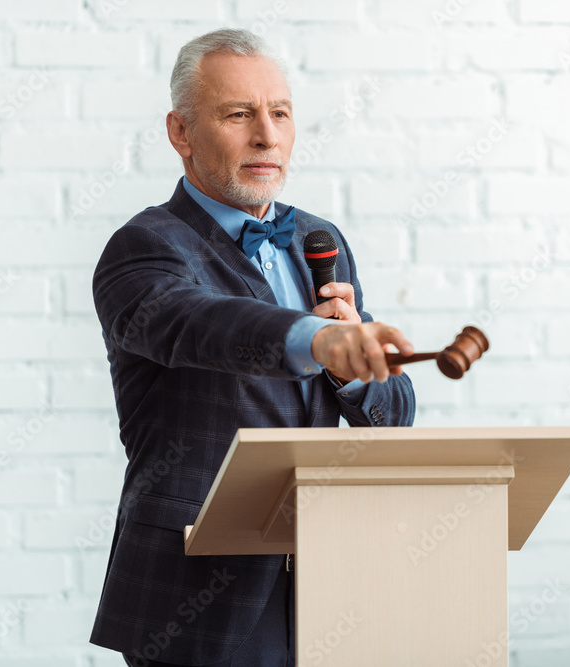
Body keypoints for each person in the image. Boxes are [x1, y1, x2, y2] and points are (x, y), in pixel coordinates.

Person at [89, 28, 416, 667]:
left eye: (280, 113)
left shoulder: (319, 239)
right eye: (239, 115)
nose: (266, 135)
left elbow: (395, 412)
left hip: (336, 572)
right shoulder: (145, 246)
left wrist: (356, 372)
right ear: (180, 132)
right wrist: (316, 339)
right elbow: (199, 323)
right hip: (200, 587)